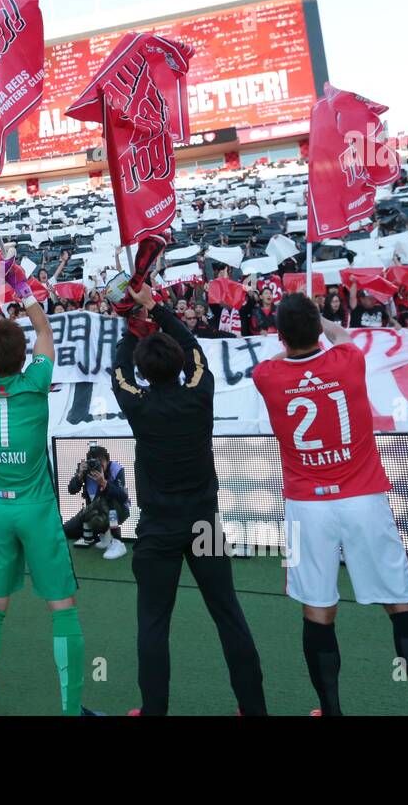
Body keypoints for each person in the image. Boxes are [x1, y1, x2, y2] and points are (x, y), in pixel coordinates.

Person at [253, 293, 408, 716]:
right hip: (363, 500)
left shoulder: (265, 375)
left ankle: (332, 711)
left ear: (281, 335)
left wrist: (300, 332)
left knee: (318, 610)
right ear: (318, 329)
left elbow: (286, 353)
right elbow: (341, 335)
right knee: (401, 604)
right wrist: (323, 323)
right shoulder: (349, 361)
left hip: (307, 507)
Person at [112, 283, 266, 716]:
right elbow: (192, 343)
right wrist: (154, 310)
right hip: (204, 525)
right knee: (228, 616)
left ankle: (154, 711)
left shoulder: (136, 402)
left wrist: (130, 329)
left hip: (158, 530)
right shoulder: (200, 390)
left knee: (153, 625)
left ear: (145, 371)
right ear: (179, 366)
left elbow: (119, 371)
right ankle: (254, 709)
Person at [0, 254, 88, 716]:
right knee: (64, 607)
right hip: (37, 511)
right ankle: (71, 708)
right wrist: (21, 284)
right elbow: (45, 331)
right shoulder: (36, 380)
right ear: (22, 358)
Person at [63, 446, 129, 560]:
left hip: (118, 510)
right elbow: (71, 490)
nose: (97, 465)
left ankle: (118, 542)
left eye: (100, 461)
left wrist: (104, 483)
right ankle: (102, 536)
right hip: (94, 510)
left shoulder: (115, 469)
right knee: (68, 530)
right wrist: (79, 476)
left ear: (107, 461)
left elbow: (123, 497)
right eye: (93, 461)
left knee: (109, 499)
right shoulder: (86, 470)